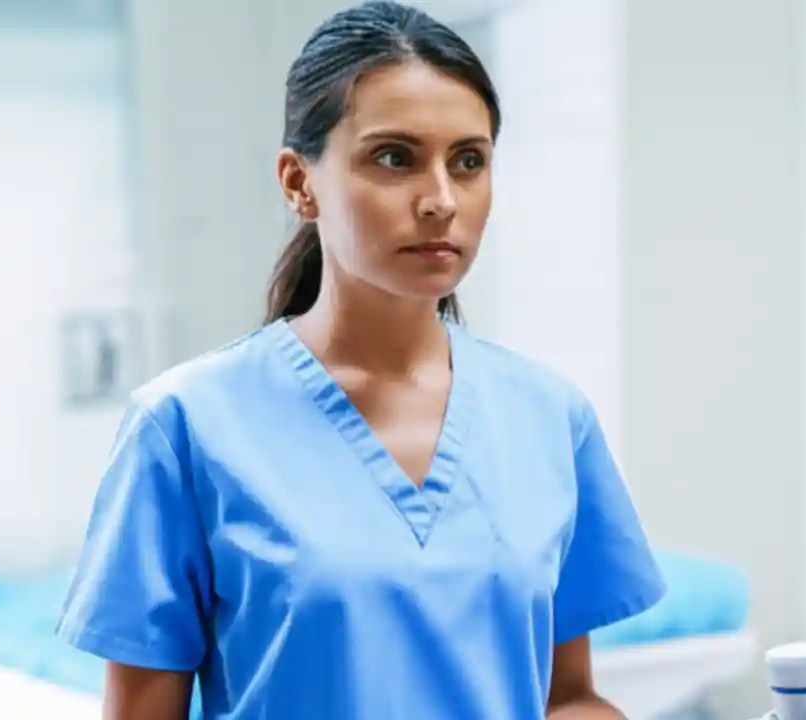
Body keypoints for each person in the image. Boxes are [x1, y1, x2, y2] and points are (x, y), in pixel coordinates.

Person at [55, 2, 666, 718]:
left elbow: (569, 698)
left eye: (468, 161)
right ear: (298, 182)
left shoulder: (550, 418)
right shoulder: (185, 427)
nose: (440, 200)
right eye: (394, 157)